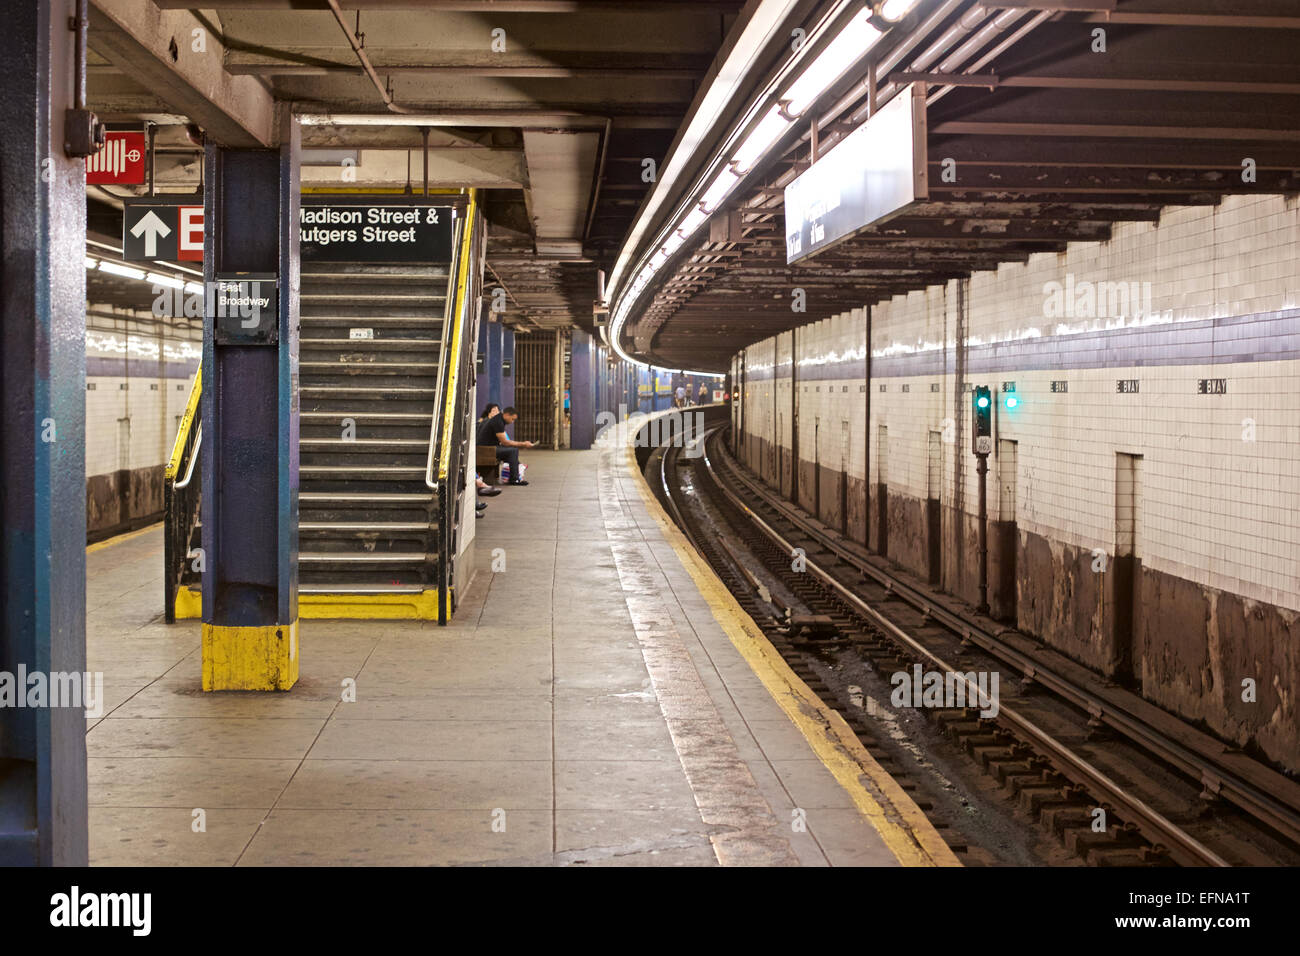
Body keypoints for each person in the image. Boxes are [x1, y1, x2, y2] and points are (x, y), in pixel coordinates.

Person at [477, 405, 534, 486]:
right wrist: (523, 444)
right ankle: (514, 479)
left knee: (511, 450)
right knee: (513, 451)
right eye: (512, 419)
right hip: (485, 450)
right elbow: (505, 442)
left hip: (488, 448)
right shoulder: (498, 421)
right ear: (507, 415)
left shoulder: (498, 420)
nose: (512, 422)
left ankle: (518, 470)